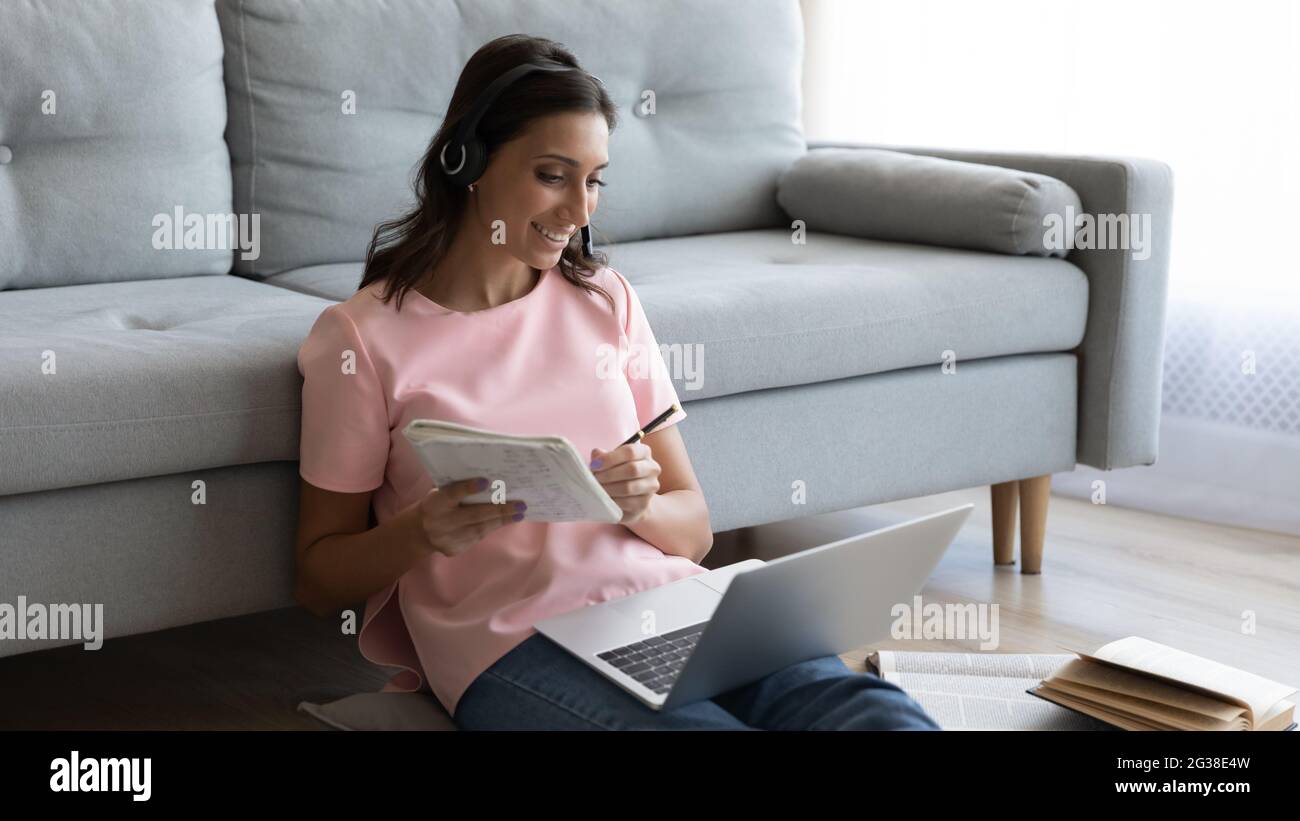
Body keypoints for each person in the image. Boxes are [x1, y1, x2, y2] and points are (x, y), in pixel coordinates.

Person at [293, 33, 939, 731]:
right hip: (512, 647)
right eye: (552, 174)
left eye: (594, 178)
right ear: (469, 162)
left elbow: (690, 529)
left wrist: (636, 507)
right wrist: (421, 531)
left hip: (672, 605)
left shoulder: (604, 300)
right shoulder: (362, 339)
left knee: (870, 708)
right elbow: (318, 578)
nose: (581, 209)